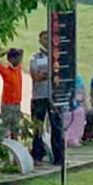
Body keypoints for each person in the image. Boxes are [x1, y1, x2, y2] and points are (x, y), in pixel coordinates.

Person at [28, 30, 63, 167]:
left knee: (57, 127)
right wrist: (52, 73)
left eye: (49, 38)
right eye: (44, 38)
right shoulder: (35, 57)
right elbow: (36, 76)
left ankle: (59, 158)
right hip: (39, 96)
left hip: (55, 96)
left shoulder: (58, 56)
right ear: (39, 40)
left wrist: (47, 73)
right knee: (38, 127)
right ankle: (37, 156)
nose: (46, 41)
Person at [0, 48, 25, 139]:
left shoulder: (18, 69)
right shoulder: (6, 71)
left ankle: (15, 148)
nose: (19, 59)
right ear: (10, 60)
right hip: (7, 104)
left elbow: (22, 51)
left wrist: (12, 51)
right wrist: (5, 51)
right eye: (16, 58)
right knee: (5, 129)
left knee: (15, 129)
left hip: (17, 104)